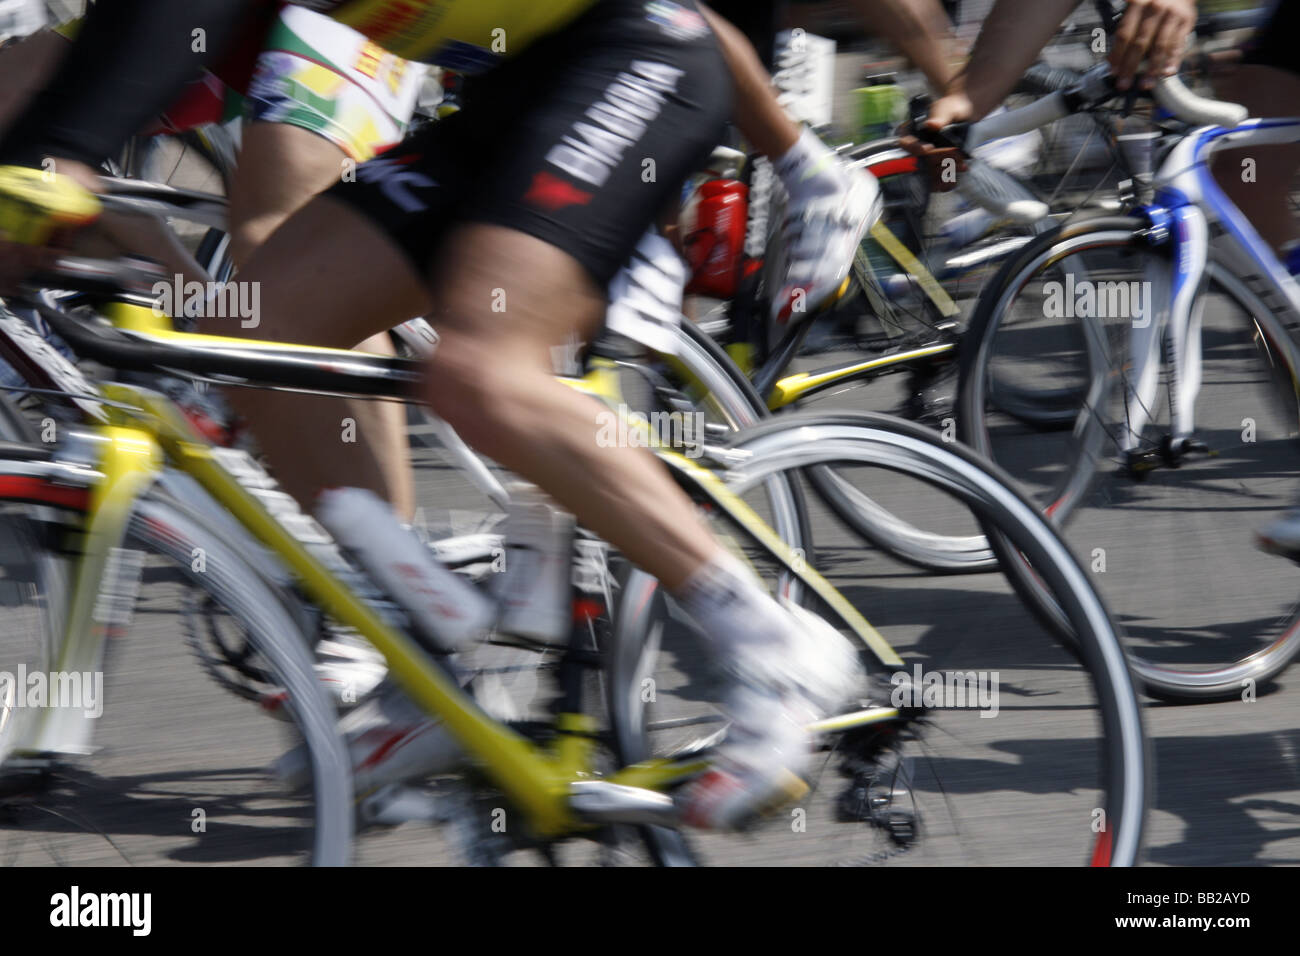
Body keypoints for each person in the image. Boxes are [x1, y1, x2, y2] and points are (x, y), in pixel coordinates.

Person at [0, 0, 871, 831]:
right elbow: (97, 42)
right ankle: (429, 661)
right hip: (518, 92)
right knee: (250, 333)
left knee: (481, 373)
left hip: (638, 54)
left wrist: (61, 157)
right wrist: (43, 158)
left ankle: (776, 646)